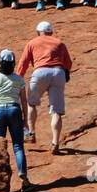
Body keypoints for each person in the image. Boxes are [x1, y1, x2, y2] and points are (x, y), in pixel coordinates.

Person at [17, 20, 73, 154]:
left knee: (31, 103)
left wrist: (18, 79)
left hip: (40, 72)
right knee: (57, 111)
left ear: (38, 33)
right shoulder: (59, 43)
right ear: (51, 32)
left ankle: (31, 133)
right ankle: (55, 142)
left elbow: (23, 63)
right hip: (58, 72)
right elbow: (68, 64)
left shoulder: (32, 42)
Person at [0, 49, 31, 192]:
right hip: (14, 110)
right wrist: (25, 119)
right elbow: (24, 102)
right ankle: (24, 179)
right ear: (13, 63)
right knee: (18, 146)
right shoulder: (19, 79)